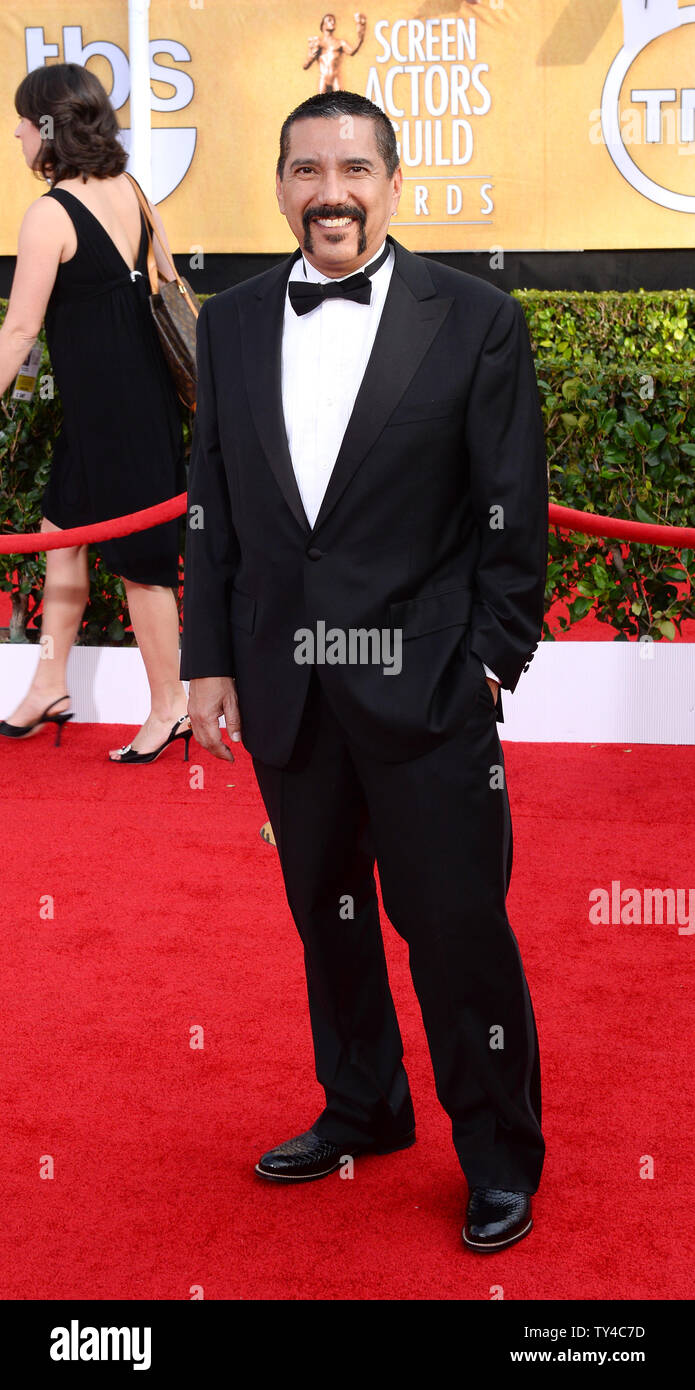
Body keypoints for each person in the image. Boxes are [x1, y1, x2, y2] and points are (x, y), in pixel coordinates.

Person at [182, 90, 548, 1253]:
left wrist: (491, 660)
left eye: (351, 167)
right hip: (288, 682)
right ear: (279, 182)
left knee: (452, 927)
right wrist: (207, 665)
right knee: (325, 916)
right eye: (305, 169)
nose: (327, 190)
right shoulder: (231, 321)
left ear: (393, 183)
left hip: (426, 682)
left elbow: (512, 506)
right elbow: (215, 509)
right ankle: (362, 1107)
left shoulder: (474, 317)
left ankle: (496, 1152)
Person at [0, 62, 191, 764]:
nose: (17, 132)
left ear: (51, 129)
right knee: (62, 540)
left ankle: (170, 705)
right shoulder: (132, 190)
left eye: (24, 119)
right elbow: (170, 283)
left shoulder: (49, 213)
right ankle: (49, 681)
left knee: (142, 564)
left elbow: (19, 332)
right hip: (114, 410)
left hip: (116, 416)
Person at [303, 14, 367, 93]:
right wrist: (310, 56)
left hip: (335, 78)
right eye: (329, 20)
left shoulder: (340, 43)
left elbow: (352, 51)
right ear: (323, 25)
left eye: (334, 21)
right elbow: (305, 66)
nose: (333, 22)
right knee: (320, 103)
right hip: (323, 78)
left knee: (339, 103)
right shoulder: (318, 43)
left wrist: (360, 39)